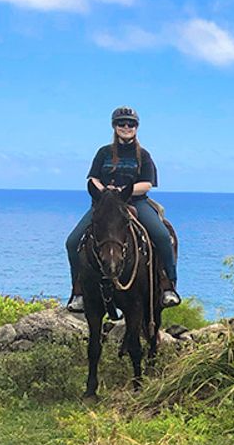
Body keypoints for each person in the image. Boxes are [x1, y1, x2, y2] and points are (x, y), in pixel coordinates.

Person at [65, 107, 180, 312]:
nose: (126, 127)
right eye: (122, 123)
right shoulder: (104, 153)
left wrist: (122, 192)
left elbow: (147, 184)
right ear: (114, 126)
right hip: (105, 204)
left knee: (163, 236)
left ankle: (167, 286)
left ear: (136, 127)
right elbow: (93, 178)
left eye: (131, 124)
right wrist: (106, 193)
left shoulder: (143, 155)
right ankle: (79, 291)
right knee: (73, 241)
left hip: (135, 202)